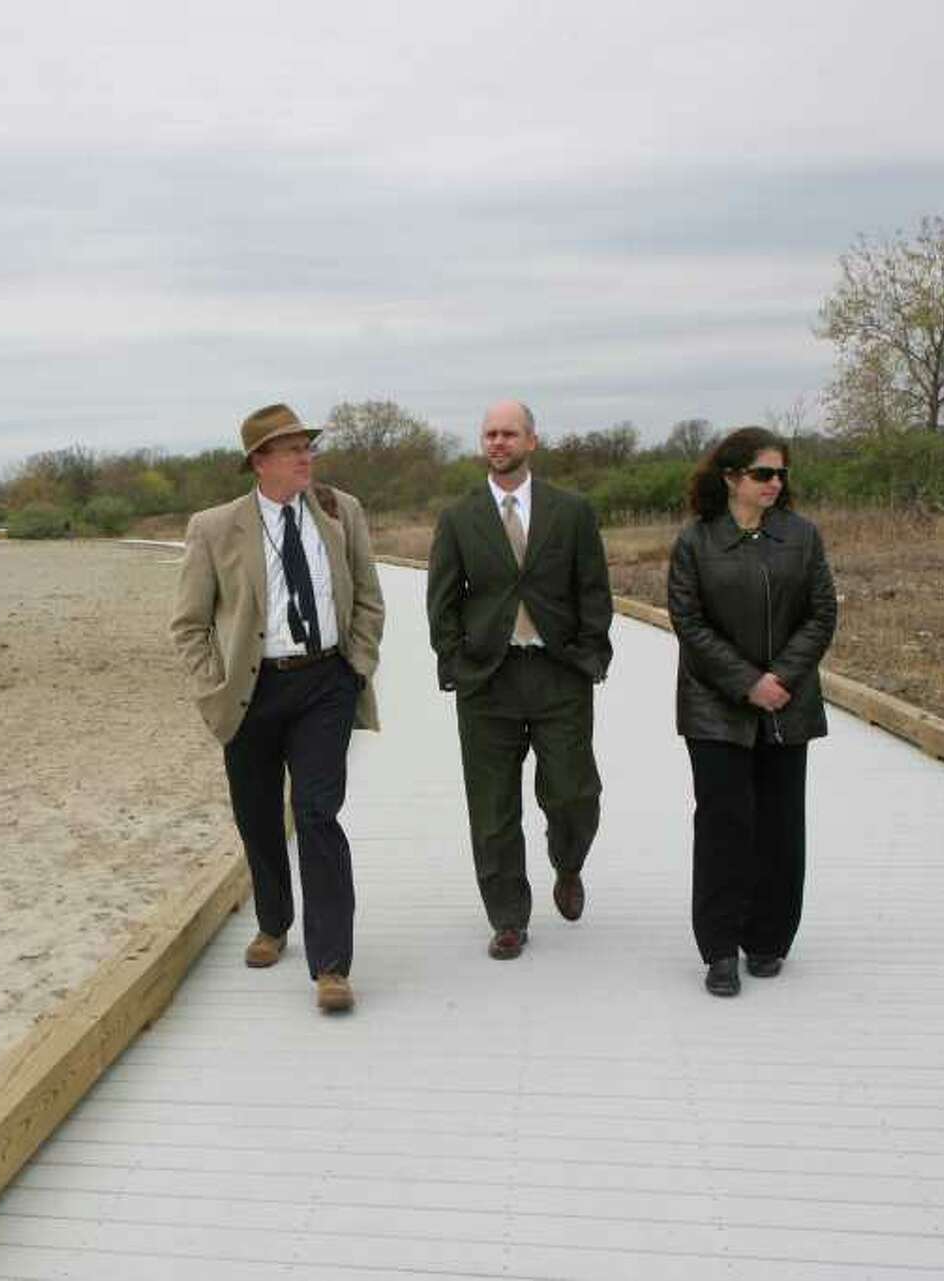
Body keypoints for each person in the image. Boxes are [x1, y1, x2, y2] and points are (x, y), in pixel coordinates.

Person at [171, 403, 386, 1013]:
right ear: (259, 462)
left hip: (325, 684)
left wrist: (356, 667)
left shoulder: (343, 511)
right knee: (258, 815)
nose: (306, 457)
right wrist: (213, 687)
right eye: (291, 449)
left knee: (318, 814)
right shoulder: (214, 528)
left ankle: (332, 965)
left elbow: (369, 597)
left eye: (308, 446)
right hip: (251, 692)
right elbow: (187, 625)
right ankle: (273, 922)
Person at [426, 400, 613, 959]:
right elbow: (442, 601)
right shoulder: (458, 518)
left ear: (532, 440)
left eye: (509, 434)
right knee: (492, 809)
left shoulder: (572, 511)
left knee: (575, 793)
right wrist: (456, 662)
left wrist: (589, 654)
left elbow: (594, 590)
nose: (498, 443)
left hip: (559, 675)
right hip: (489, 680)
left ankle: (569, 862)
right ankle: (508, 917)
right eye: (489, 435)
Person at [667, 426, 837, 997]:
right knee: (723, 826)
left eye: (781, 473)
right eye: (764, 473)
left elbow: (821, 614)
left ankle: (769, 939)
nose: (775, 483)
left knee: (781, 825)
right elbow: (688, 623)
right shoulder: (696, 542)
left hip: (788, 706)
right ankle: (718, 948)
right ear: (731, 476)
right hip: (715, 707)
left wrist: (781, 679)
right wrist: (746, 683)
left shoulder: (802, 537)